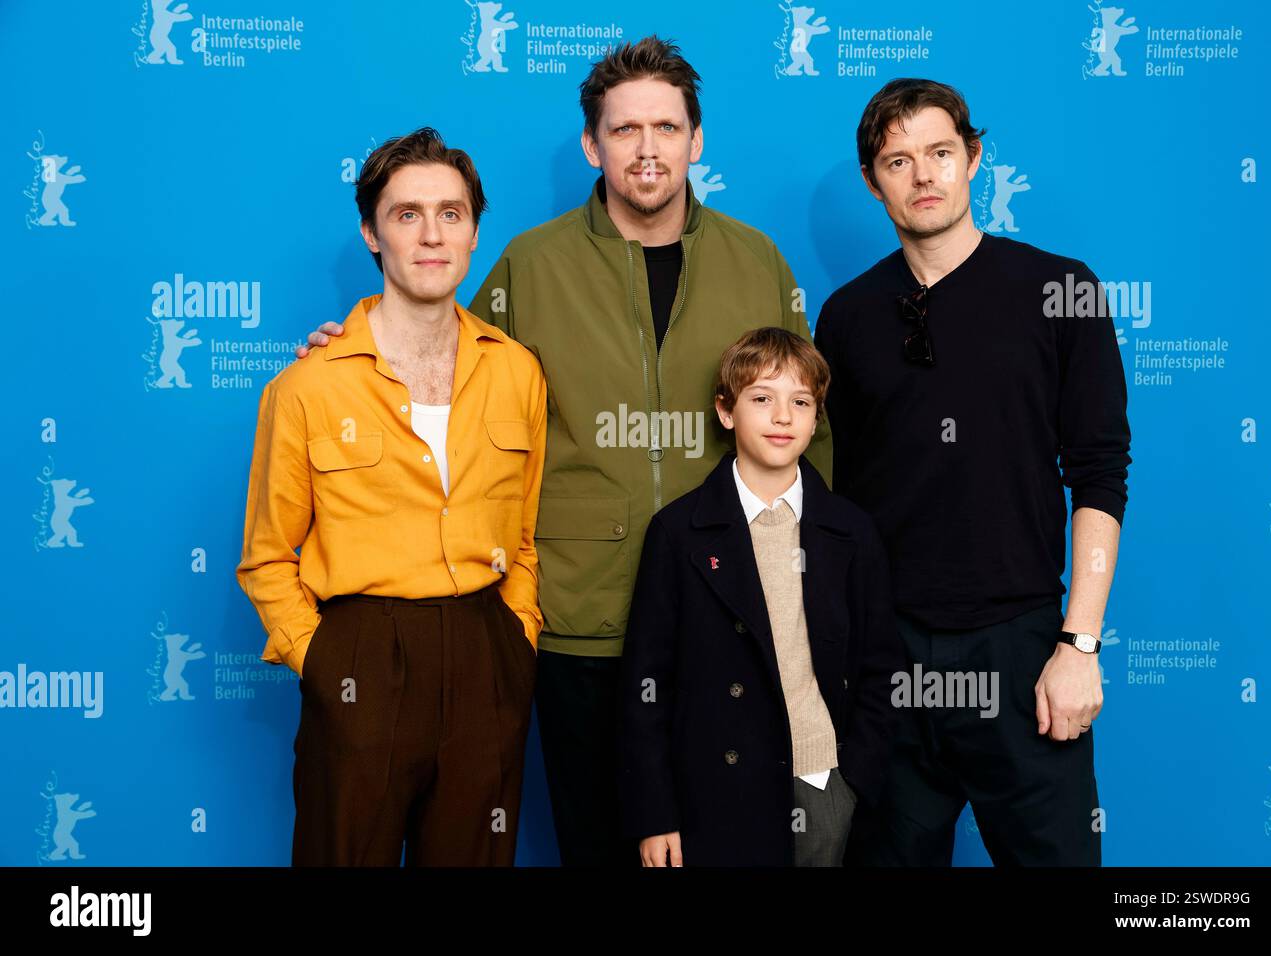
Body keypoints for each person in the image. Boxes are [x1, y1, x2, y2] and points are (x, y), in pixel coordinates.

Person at [295, 37, 833, 866]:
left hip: (731, 617)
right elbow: (448, 362)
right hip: (584, 625)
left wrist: (803, 577)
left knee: (737, 843)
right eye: (624, 130)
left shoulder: (758, 259)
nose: (646, 149)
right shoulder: (531, 265)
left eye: (665, 127)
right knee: (603, 845)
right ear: (593, 145)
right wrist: (350, 346)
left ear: (697, 140)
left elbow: (810, 424)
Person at [814, 78, 1131, 865]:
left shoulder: (1061, 290)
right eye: (898, 161)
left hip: (1022, 647)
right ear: (872, 180)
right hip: (887, 655)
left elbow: (1099, 472)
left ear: (974, 159)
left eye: (940, 153)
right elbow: (836, 496)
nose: (922, 176)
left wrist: (1079, 645)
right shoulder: (847, 316)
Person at [235, 128, 546, 866]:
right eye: (407, 215)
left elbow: (527, 535)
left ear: (474, 232)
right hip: (360, 658)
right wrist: (322, 660)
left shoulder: (518, 374)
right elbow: (266, 557)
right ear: (372, 233)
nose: (432, 235)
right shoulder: (307, 385)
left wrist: (516, 639)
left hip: (485, 653)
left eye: (452, 213)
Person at [619, 328, 901, 866]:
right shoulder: (679, 533)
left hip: (822, 781)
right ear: (726, 412)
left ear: (816, 417)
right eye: (761, 398)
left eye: (800, 402)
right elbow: (645, 685)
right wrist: (655, 813)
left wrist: (854, 776)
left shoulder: (851, 531)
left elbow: (881, 666)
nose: (782, 417)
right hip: (715, 792)